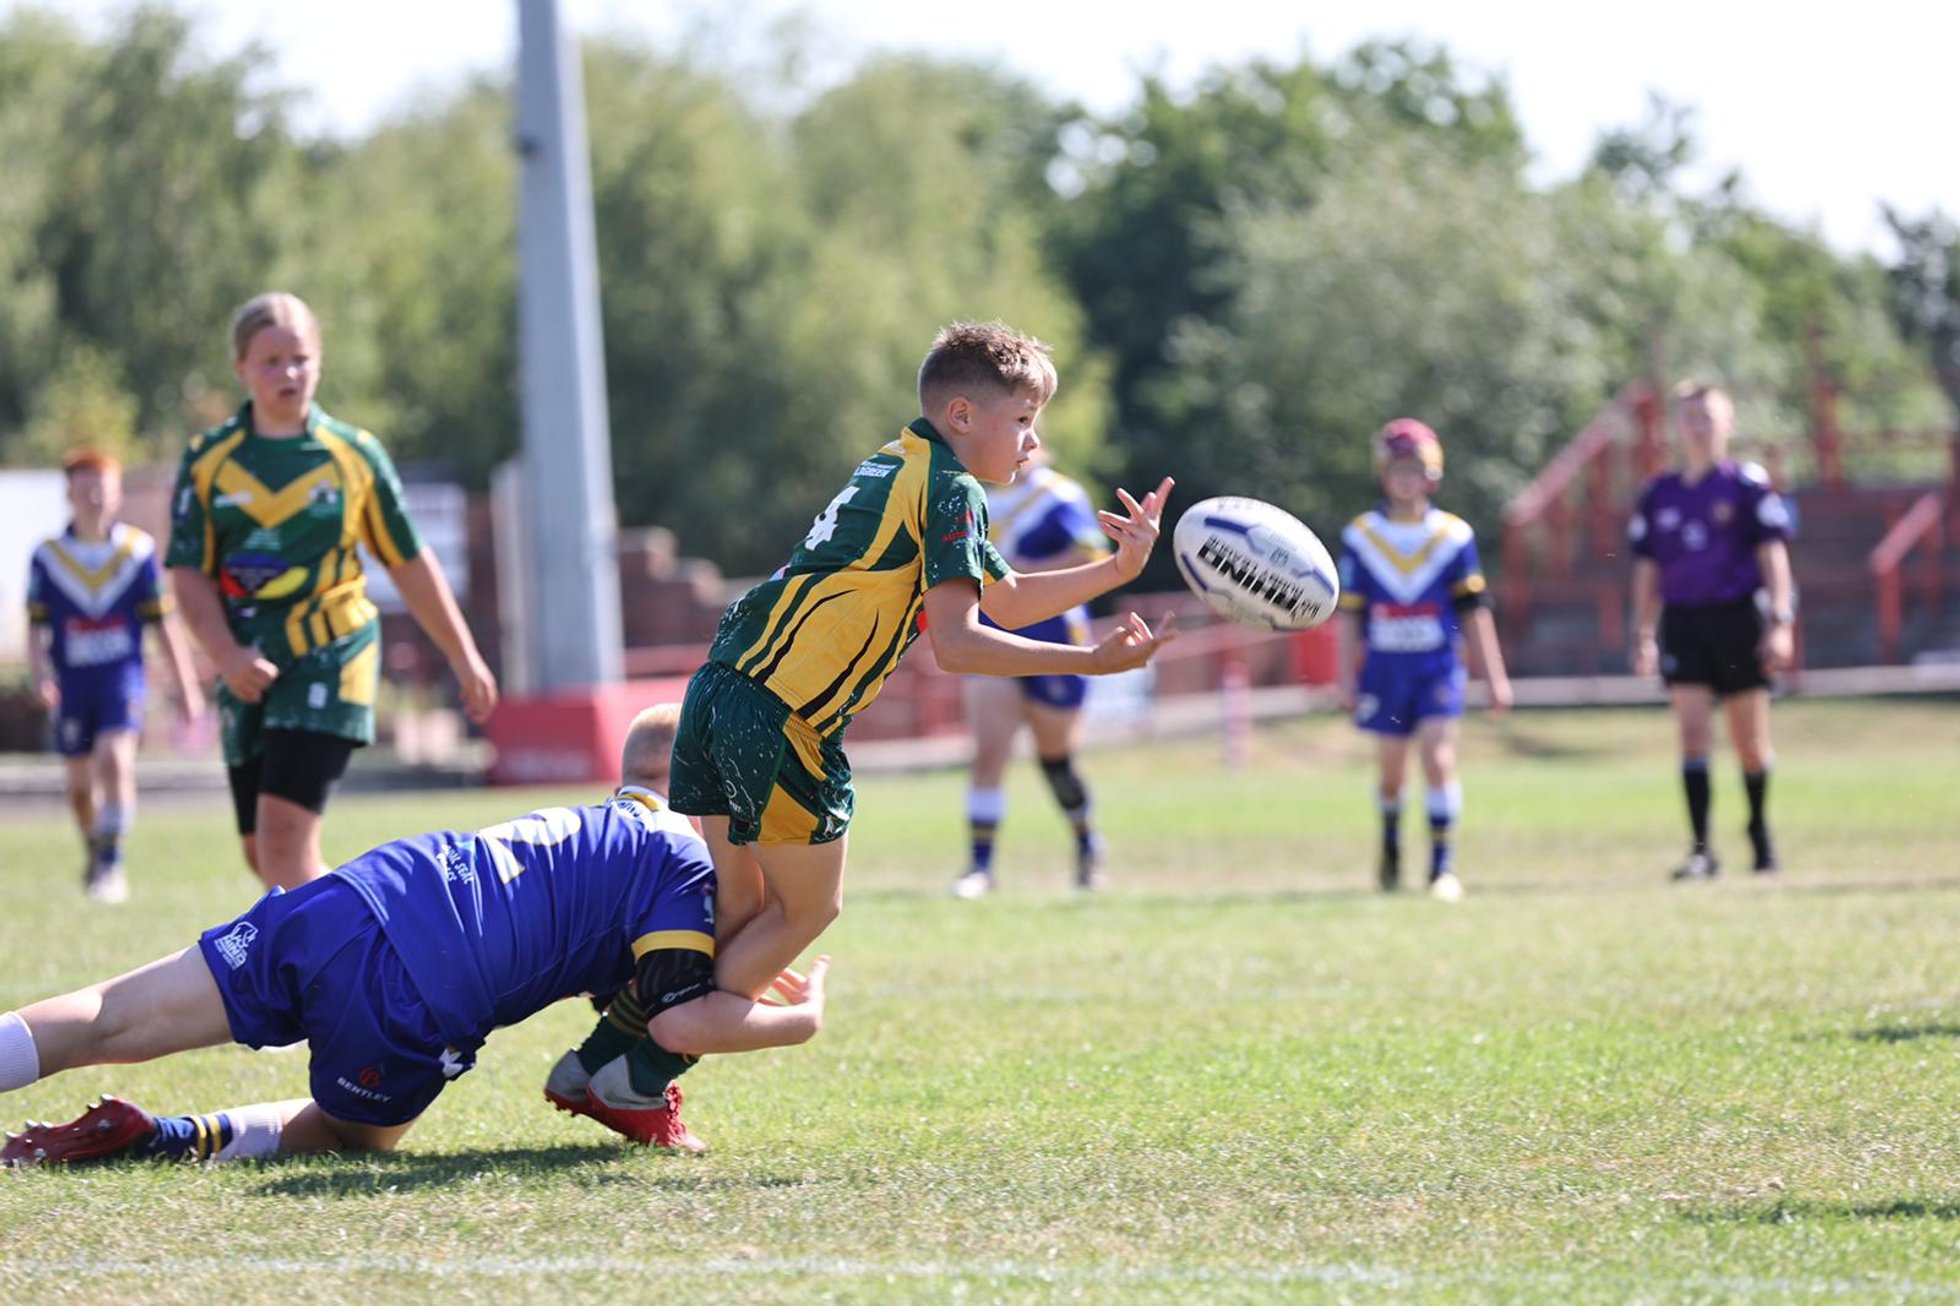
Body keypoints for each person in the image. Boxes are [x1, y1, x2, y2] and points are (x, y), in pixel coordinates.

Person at [0, 706, 829, 1168]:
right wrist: (800, 1013)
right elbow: (678, 1019)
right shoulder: (684, 864)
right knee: (351, 1135)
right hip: (413, 998)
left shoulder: (597, 827)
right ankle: (167, 1140)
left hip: (354, 896)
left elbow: (605, 967)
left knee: (110, 1013)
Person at [670, 320, 1176, 1006]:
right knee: (806, 911)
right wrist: (1089, 660)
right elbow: (959, 642)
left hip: (720, 689)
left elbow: (1012, 598)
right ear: (962, 415)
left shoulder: (901, 459)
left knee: (743, 909)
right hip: (781, 717)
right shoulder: (951, 488)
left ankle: (628, 1055)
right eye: (1025, 419)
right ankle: (641, 1058)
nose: (1033, 441)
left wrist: (1119, 568)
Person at [165, 292, 499, 892]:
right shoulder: (208, 461)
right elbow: (187, 572)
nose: (287, 373)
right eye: (270, 361)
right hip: (247, 665)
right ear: (241, 368)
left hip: (331, 651)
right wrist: (225, 654)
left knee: (284, 841)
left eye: (300, 358)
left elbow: (408, 559)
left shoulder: (354, 455)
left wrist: (462, 652)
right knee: (263, 854)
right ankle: (377, 931)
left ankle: (324, 978)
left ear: (319, 361)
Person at [1335, 418, 1513, 902]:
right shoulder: (1361, 536)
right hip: (1383, 671)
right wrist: (1342, 676)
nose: (1406, 478)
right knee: (1392, 773)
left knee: (1438, 759)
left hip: (1437, 667)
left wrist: (1495, 678)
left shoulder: (1453, 536)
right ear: (1382, 473)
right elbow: (1349, 614)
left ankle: (1442, 868)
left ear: (1432, 474)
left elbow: (1474, 611)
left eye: (1415, 469)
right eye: (1397, 469)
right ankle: (1391, 843)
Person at [1629, 382, 1796, 881]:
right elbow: (1645, 569)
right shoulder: (1658, 493)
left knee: (1748, 741)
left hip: (1737, 617)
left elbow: (1773, 555)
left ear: (1729, 424)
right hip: (1683, 620)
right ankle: (1702, 851)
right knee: (1693, 734)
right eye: (1690, 417)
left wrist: (1781, 621)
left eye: (1708, 416)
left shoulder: (1746, 486)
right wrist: (1643, 633)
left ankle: (1760, 835)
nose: (1698, 427)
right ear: (1677, 428)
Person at [27, 448, 205, 904]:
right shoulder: (48, 557)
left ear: (117, 492)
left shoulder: (137, 552)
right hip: (73, 683)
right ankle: (94, 845)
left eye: (101, 485)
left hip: (121, 679)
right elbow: (36, 622)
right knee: (80, 787)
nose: (93, 496)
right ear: (69, 493)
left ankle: (111, 864)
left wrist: (186, 687)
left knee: (115, 758)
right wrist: (39, 673)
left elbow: (163, 623)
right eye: (83, 486)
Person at [952, 448, 1114, 898]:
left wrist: (1018, 579)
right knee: (989, 752)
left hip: (1057, 640)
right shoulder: (975, 498)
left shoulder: (1059, 496)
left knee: (1056, 760)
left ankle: (1087, 845)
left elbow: (1092, 555)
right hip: (992, 637)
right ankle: (979, 868)